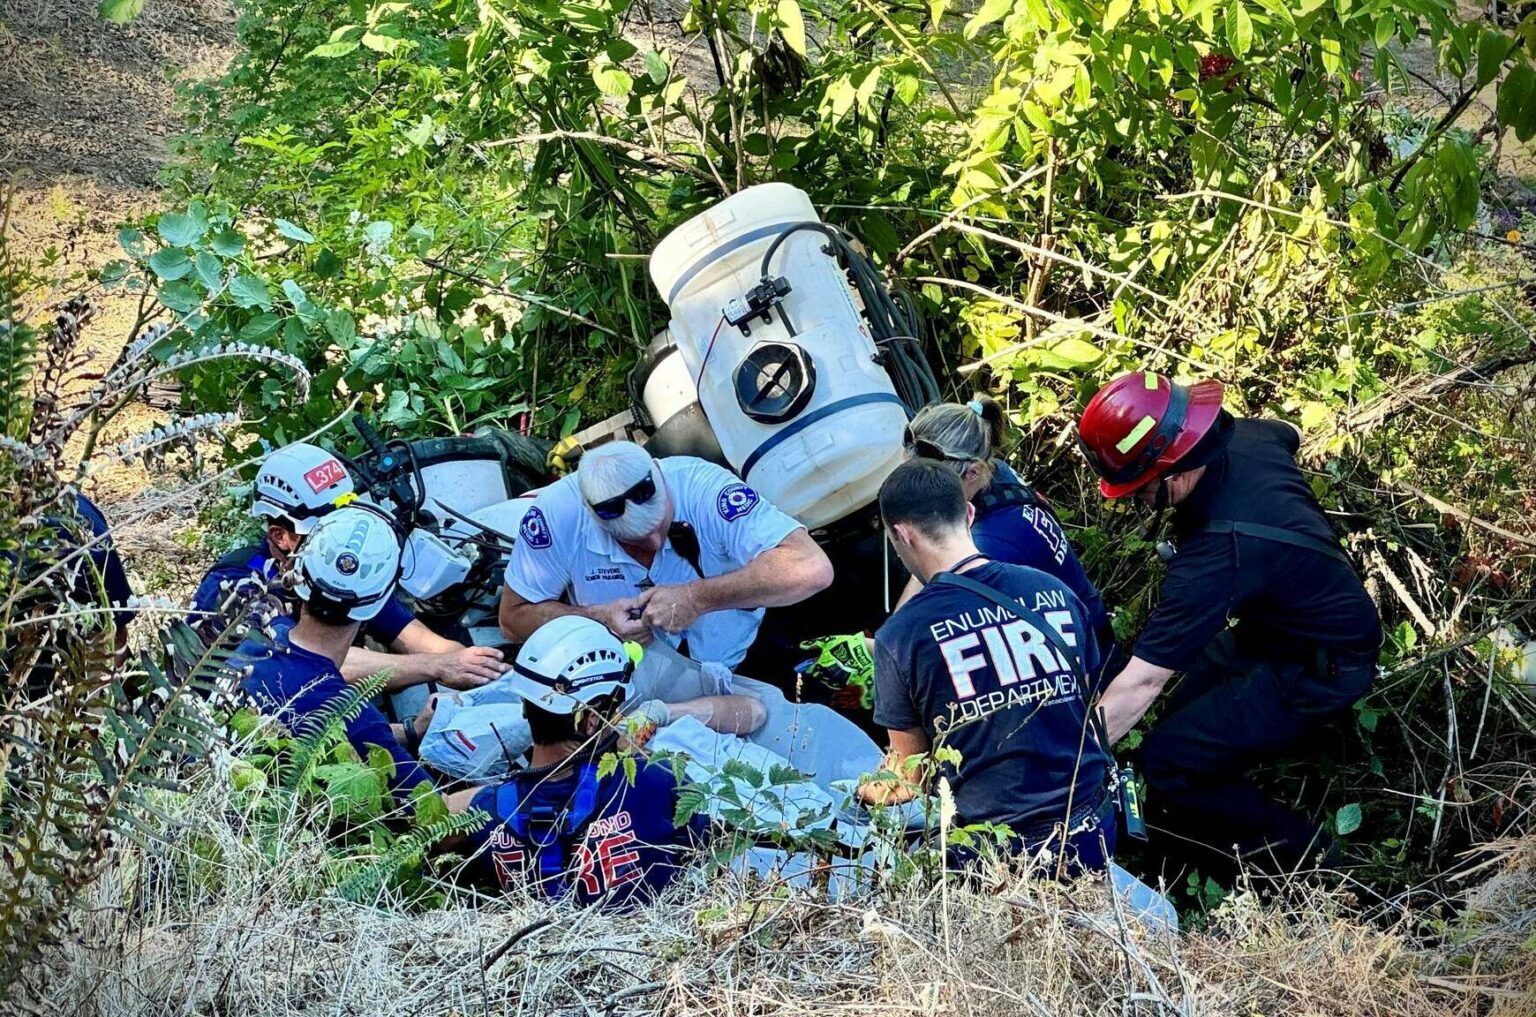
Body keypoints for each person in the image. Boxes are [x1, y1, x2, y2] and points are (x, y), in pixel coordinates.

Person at [1076, 371, 1381, 873]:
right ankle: (1185, 814)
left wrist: (1065, 761)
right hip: (1275, 628)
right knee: (1184, 709)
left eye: (1136, 492)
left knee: (1168, 763)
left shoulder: (1217, 555)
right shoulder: (1252, 436)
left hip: (1321, 666)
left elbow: (1144, 680)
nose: (1134, 502)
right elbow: (1291, 433)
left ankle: (1314, 868)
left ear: (1171, 473)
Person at [859, 460, 1113, 875]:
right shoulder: (1055, 591)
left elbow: (909, 777)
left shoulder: (901, 635)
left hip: (1000, 856)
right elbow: (1085, 704)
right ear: (970, 514)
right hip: (1092, 826)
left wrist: (867, 789)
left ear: (901, 535)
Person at [194, 442, 508, 694]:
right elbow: (303, 665)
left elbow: (423, 642)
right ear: (282, 536)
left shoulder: (344, 566)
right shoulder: (237, 585)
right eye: (327, 528)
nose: (344, 535)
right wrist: (435, 668)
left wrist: (480, 667)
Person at [447, 615, 709, 908]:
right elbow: (705, 851)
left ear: (525, 706)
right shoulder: (657, 782)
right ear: (592, 722)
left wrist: (492, 792)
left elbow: (433, 821)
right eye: (617, 709)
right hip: (647, 942)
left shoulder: (489, 811)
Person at [499, 441, 833, 669]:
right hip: (621, 686)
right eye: (635, 542)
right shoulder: (556, 517)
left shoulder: (704, 488)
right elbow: (513, 619)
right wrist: (597, 619)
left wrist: (697, 598)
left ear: (659, 474)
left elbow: (811, 567)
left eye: (662, 527)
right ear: (591, 513)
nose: (656, 543)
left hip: (740, 662)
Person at [899, 397, 1117, 685]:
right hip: (1078, 622)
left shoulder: (989, 541)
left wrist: (880, 644)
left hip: (1083, 665)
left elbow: (915, 629)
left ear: (973, 472)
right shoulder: (995, 472)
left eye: (931, 485)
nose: (921, 496)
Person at [233, 506, 432, 799]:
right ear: (379, 604)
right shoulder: (347, 714)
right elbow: (435, 820)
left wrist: (412, 730)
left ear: (297, 572)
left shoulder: (254, 633)